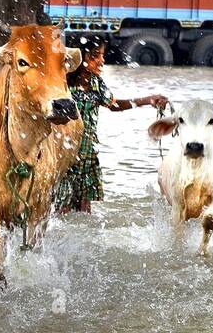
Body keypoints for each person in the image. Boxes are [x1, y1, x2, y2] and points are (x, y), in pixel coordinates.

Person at [54, 40, 169, 215]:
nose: (101, 61)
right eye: (94, 56)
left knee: (85, 213)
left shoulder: (96, 83)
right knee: (61, 208)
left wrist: (147, 100)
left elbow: (114, 105)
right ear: (78, 58)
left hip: (88, 156)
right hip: (64, 157)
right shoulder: (63, 84)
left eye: (101, 55)